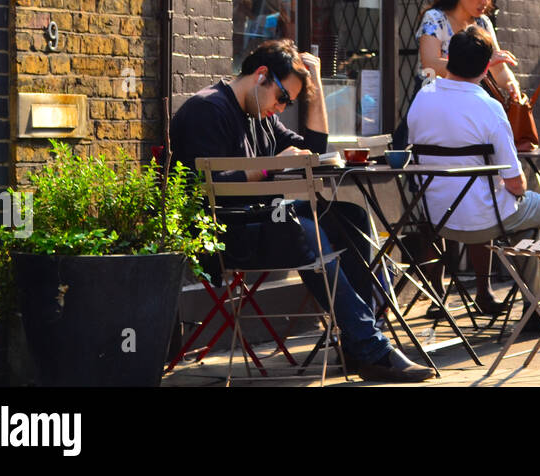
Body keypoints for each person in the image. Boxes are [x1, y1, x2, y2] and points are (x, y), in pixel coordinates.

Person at [169, 39, 434, 383]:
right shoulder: (207, 109)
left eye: (289, 102)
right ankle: (371, 346)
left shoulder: (260, 116)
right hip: (224, 232)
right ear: (261, 75)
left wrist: (317, 86)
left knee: (349, 217)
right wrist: (268, 168)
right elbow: (200, 189)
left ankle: (360, 343)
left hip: (261, 219)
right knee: (301, 226)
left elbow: (313, 148)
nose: (281, 108)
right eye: (282, 98)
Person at [406, 27, 540, 332]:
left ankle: (538, 307)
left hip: (437, 218)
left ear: (448, 58)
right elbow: (516, 183)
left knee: (528, 225)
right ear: (485, 67)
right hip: (487, 218)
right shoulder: (489, 107)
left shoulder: (423, 97)